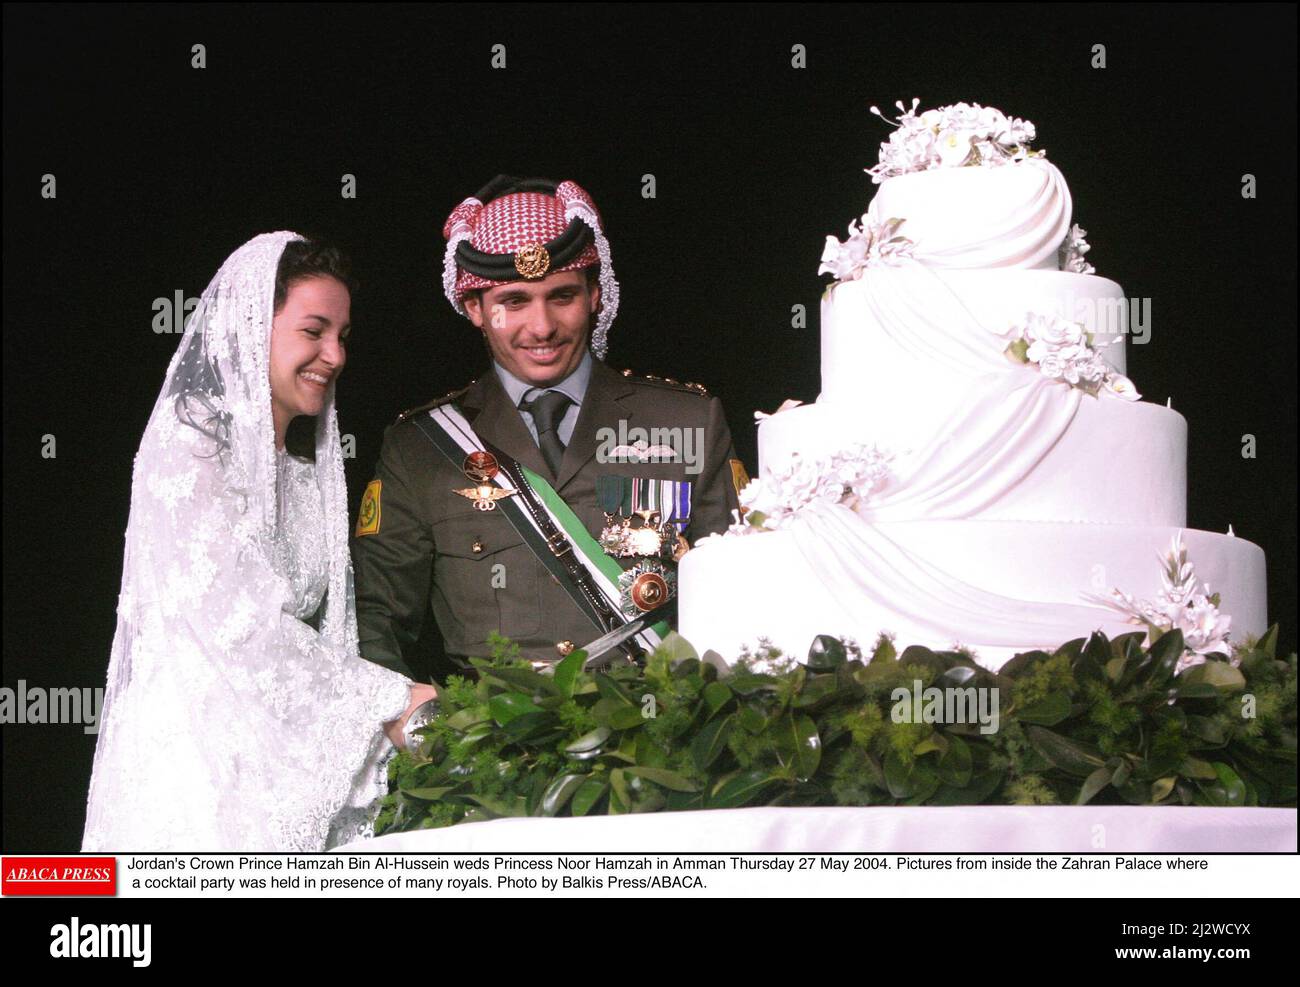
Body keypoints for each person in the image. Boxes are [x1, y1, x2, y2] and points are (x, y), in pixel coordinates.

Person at [352, 176, 745, 719]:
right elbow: (372, 620)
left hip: (664, 740)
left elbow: (742, 594)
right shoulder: (419, 448)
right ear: (473, 306)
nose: (542, 327)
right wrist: (411, 724)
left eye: (561, 296)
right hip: (498, 754)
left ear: (595, 295)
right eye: (513, 302)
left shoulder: (687, 419)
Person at [82, 232, 414, 852]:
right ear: (249, 325)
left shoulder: (308, 472)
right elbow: (238, 625)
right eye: (313, 331)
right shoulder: (192, 446)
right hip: (196, 785)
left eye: (342, 336)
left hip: (286, 775)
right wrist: (393, 699)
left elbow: (324, 633)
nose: (334, 355)